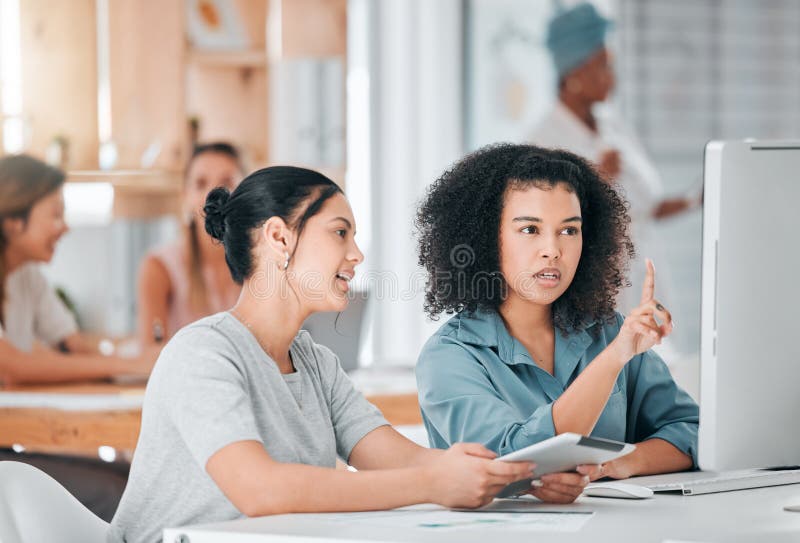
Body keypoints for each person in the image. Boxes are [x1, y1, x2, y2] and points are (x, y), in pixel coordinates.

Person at [110, 165, 592, 543]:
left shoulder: (315, 362)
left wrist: (517, 480)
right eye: (341, 233)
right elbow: (260, 490)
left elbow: (403, 461)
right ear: (279, 238)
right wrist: (432, 485)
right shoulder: (203, 353)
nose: (357, 254)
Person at [414, 144, 699, 483]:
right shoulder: (448, 357)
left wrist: (620, 463)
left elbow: (690, 431)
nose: (553, 250)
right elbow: (514, 463)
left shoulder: (608, 331)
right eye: (530, 230)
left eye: (569, 230)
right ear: (485, 239)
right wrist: (613, 360)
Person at [0, 154, 158, 521]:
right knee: (118, 493)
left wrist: (138, 360)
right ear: (11, 220)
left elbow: (75, 346)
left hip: (9, 441)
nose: (65, 228)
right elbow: (13, 367)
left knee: (135, 480)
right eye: (55, 214)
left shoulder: (28, 278)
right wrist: (133, 363)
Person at [530, 2, 700, 314]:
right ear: (575, 72)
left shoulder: (615, 125)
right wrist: (596, 180)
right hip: (593, 284)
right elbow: (541, 228)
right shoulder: (543, 141)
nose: (612, 78)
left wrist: (695, 200)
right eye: (603, 66)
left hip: (643, 274)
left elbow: (646, 207)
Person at [137, 142, 243, 346]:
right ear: (185, 197)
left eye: (227, 182)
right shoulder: (159, 268)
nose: (213, 196)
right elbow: (151, 353)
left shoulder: (265, 265)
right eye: (200, 184)